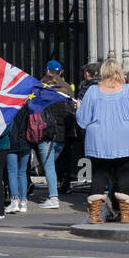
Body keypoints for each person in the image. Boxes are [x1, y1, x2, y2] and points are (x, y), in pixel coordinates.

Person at [77, 59, 129, 223]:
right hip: (127, 140)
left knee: (99, 174)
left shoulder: (92, 92)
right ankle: (126, 214)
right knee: (125, 174)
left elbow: (83, 121)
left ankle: (94, 215)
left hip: (99, 141)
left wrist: (79, 109)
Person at [33, 65, 75, 209]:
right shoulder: (63, 98)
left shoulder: (41, 98)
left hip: (46, 136)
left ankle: (53, 197)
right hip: (61, 138)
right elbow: (69, 117)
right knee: (50, 165)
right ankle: (53, 194)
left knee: (49, 166)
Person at [5, 102, 31, 213]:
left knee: (12, 172)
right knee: (22, 172)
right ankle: (23, 201)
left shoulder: (8, 107)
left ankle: (15, 200)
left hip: (12, 143)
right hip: (26, 142)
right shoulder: (28, 106)